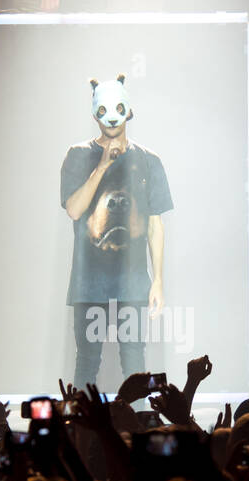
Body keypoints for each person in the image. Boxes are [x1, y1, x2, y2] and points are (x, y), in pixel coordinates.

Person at [59, 74, 173, 390]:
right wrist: (103, 166)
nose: (111, 118)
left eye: (118, 109)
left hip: (133, 279)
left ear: (129, 111)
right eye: (104, 111)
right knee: (87, 360)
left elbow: (154, 223)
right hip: (88, 280)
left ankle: (137, 429)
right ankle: (81, 431)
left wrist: (158, 281)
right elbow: (74, 209)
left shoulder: (149, 160)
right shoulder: (78, 155)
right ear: (95, 114)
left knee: (135, 358)